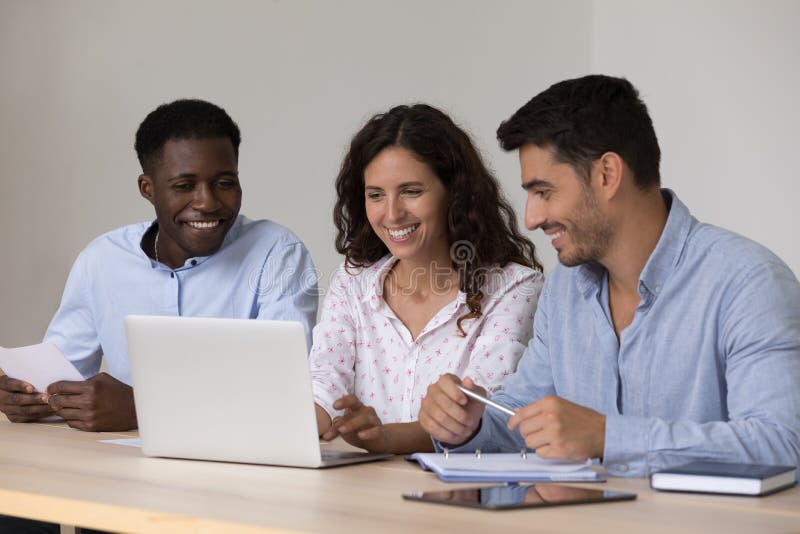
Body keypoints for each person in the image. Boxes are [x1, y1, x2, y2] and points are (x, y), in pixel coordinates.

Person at [419, 75, 800, 476]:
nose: (531, 218)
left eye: (544, 192)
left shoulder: (749, 283)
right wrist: (470, 423)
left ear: (607, 175)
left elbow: (783, 442)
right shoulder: (565, 289)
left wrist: (608, 437)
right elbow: (523, 417)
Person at [0, 99, 318, 432]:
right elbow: (60, 380)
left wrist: (142, 409)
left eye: (224, 183)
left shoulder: (277, 253)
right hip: (121, 465)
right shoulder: (101, 260)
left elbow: (281, 393)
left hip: (240, 466)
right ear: (147, 189)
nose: (207, 202)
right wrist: (29, 397)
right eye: (184, 186)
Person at [311, 104, 544, 454]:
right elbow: (325, 384)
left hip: (464, 495)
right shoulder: (352, 281)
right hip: (365, 491)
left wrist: (387, 438)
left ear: (455, 192)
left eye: (411, 191)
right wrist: (291, 421)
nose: (391, 213)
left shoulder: (514, 287)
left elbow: (479, 415)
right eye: (376, 195)